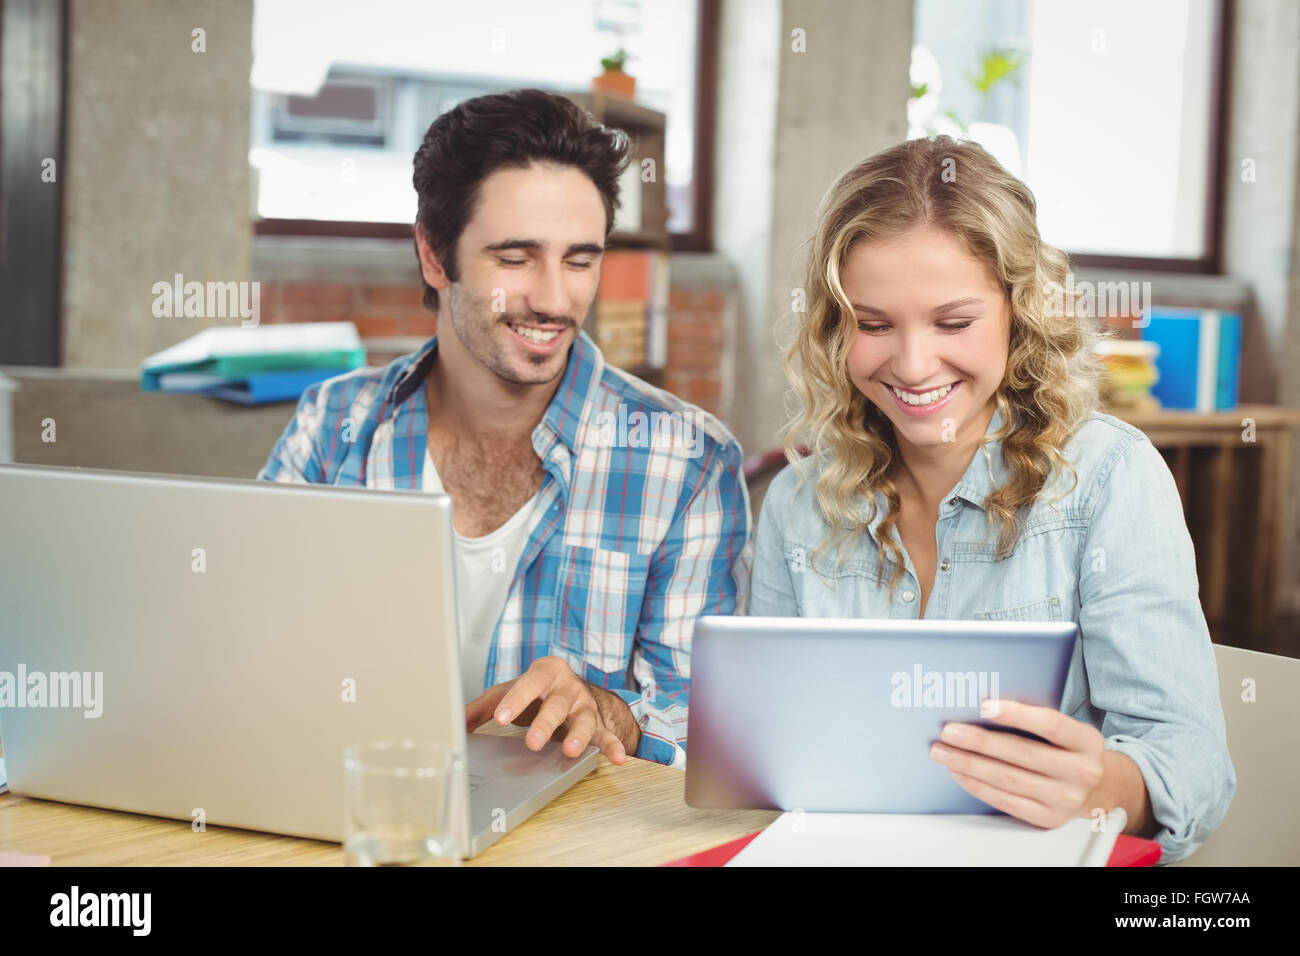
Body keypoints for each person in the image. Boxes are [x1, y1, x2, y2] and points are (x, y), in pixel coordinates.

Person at [750, 134, 1234, 863]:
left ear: (1019, 311)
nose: (913, 365)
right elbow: (766, 752)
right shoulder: (796, 502)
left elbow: (1192, 765)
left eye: (953, 323)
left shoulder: (1110, 479)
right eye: (873, 325)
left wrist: (1104, 783)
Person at [260, 89, 751, 769]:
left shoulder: (688, 463)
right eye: (516, 258)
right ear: (435, 257)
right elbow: (249, 658)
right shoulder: (331, 429)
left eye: (580, 260)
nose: (554, 299)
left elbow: (712, 727)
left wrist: (609, 713)